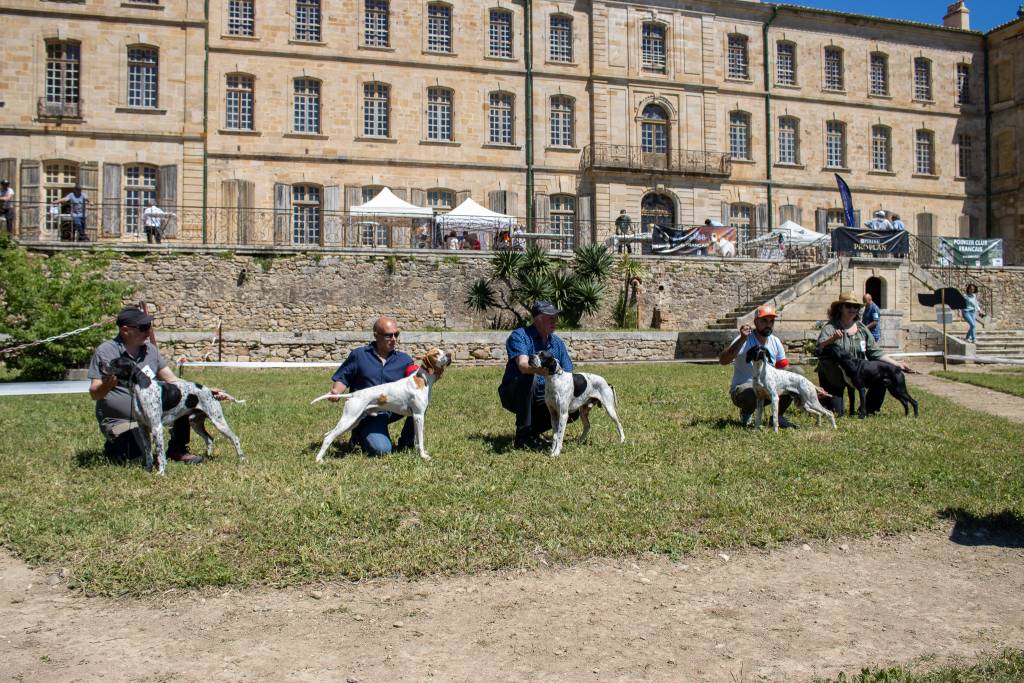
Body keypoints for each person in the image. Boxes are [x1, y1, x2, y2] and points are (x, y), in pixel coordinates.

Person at [87, 307, 222, 465]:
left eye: (149, 326)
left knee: (183, 399)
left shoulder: (150, 350)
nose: (148, 331)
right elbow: (95, 394)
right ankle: (115, 445)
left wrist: (204, 391)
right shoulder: (106, 352)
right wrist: (107, 385)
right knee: (135, 459)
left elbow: (172, 380)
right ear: (125, 330)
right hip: (121, 419)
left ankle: (177, 450)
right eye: (143, 328)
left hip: (154, 413)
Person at [719, 305, 827, 429]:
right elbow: (723, 360)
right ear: (755, 322)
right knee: (751, 393)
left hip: (769, 388)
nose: (768, 324)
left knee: (797, 371)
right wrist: (742, 338)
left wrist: (812, 387)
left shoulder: (775, 341)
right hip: (745, 390)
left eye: (771, 321)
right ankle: (746, 413)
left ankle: (777, 417)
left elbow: (786, 371)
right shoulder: (744, 339)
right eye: (764, 320)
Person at [326, 317, 422, 455]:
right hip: (368, 411)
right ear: (376, 334)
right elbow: (343, 378)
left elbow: (415, 385)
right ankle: (358, 432)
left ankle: (406, 443)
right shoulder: (359, 355)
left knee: (420, 403)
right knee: (381, 450)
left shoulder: (405, 360)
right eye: (389, 335)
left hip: (393, 409)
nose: (394, 339)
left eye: (397, 334)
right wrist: (336, 391)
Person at [816, 291, 912, 416]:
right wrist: (832, 339)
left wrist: (897, 364)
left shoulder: (862, 328)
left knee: (882, 378)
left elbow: (875, 352)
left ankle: (867, 409)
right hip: (834, 375)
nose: (852, 309)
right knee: (835, 412)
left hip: (856, 373)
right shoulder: (830, 327)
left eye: (855, 307)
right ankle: (822, 399)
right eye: (848, 306)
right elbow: (818, 348)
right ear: (840, 308)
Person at [498, 301, 575, 449]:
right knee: (529, 376)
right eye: (550, 317)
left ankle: (531, 433)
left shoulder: (557, 343)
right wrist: (542, 371)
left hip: (545, 394)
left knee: (573, 407)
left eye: (555, 317)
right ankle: (523, 438)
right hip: (516, 392)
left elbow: (568, 373)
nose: (554, 321)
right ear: (537, 319)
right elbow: (523, 365)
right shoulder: (520, 335)